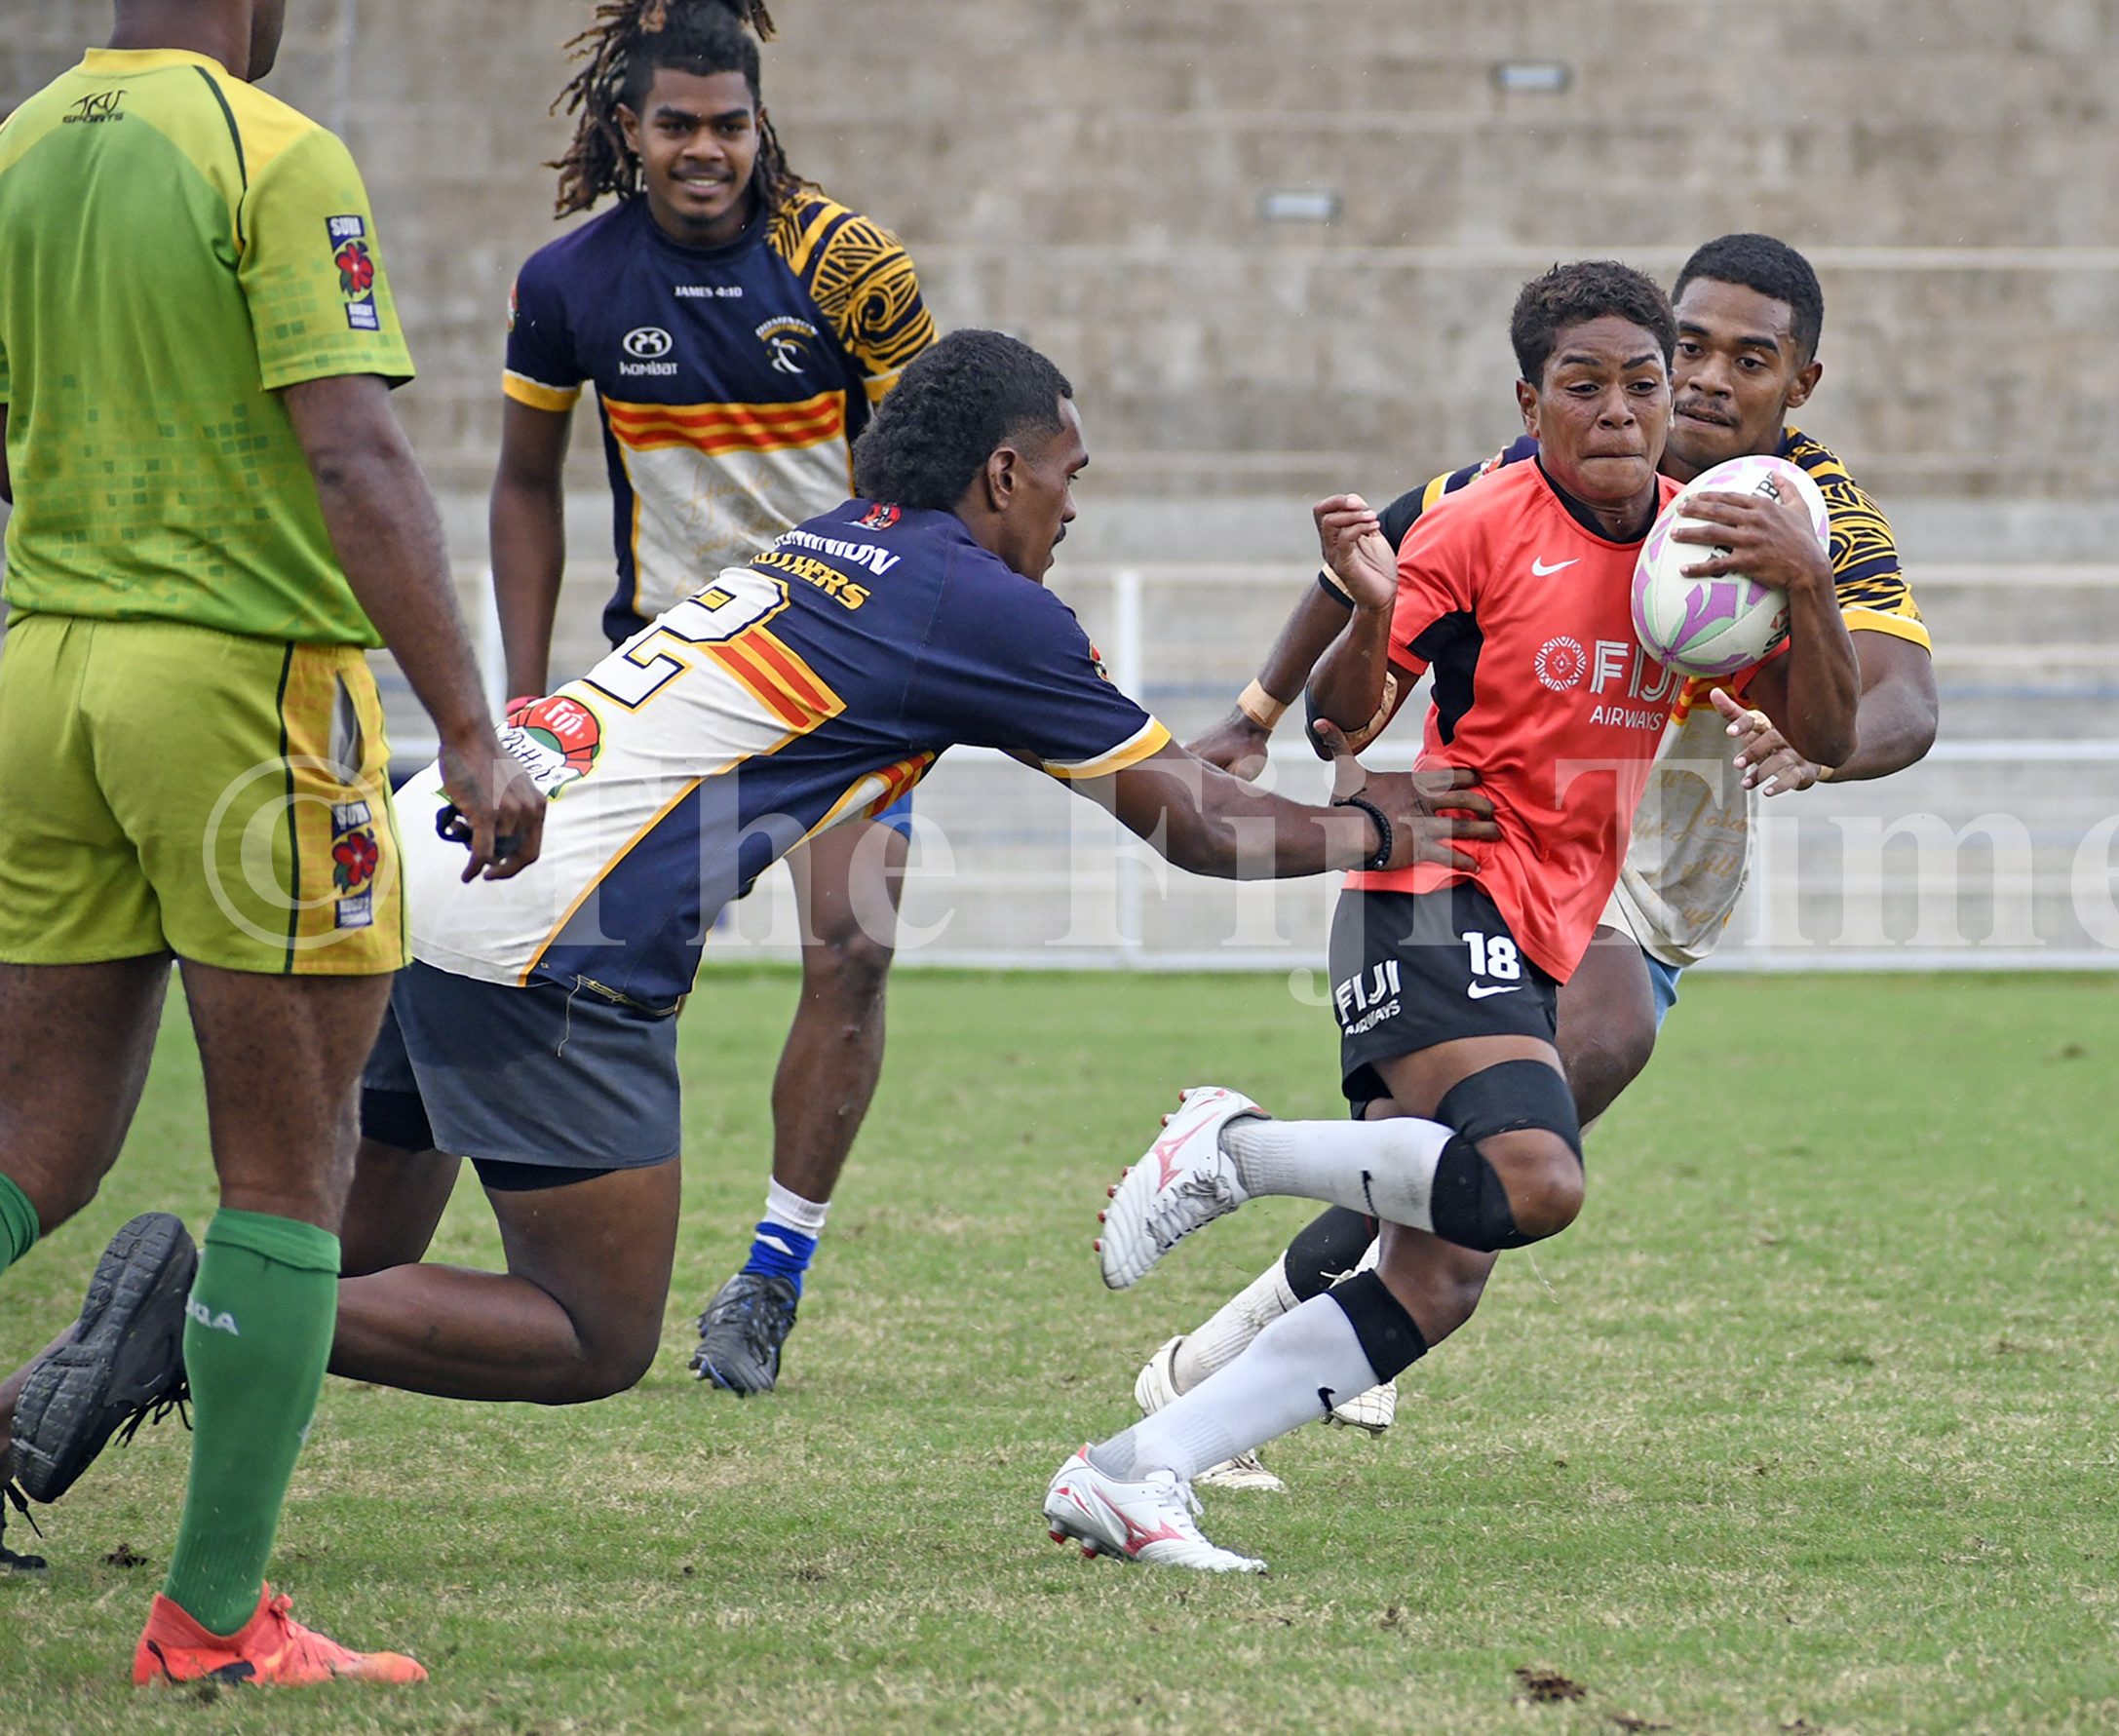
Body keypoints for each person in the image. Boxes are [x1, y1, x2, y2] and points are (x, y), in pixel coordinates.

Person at [0, 332, 1497, 1482]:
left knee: (356, 1270)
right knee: (591, 1332)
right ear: (999, 475)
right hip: (550, 930)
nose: (1069, 511)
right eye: (1067, 478)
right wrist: (1377, 820)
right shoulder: (971, 598)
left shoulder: (826, 549)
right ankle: (199, 1295)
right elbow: (1198, 832)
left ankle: (48, 1405)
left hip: (433, 860)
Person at [1043, 260, 1862, 1572]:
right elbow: (1340, 723)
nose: (1619, 412)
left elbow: (1830, 730)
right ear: (1529, 400)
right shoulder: (1481, 524)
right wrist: (1369, 615)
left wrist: (1809, 586)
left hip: (1542, 927)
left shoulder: (1700, 543)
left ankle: (1138, 1469)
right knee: (1535, 1181)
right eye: (1583, 387)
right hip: (1432, 890)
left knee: (1442, 1270)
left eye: (1642, 387)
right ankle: (1233, 1147)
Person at [0, 0, 542, 1685]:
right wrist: (470, 725)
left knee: (33, 1139)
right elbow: (351, 445)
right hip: (237, 691)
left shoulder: (17, 150)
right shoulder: (269, 148)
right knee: (285, 1169)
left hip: (45, 674)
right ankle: (212, 1625)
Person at [494, 0, 938, 1394]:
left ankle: (770, 1278)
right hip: (665, 686)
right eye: (676, 125)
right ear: (629, 131)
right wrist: (520, 695)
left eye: (728, 126)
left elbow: (926, 476)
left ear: (761, 126)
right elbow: (523, 485)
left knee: (853, 947)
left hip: (851, 692)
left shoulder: (853, 267)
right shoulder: (568, 282)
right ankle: (569, 1253)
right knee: (607, 974)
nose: (704, 151)